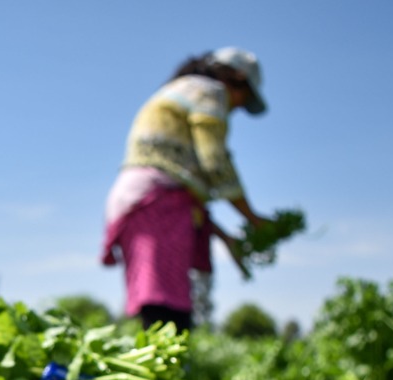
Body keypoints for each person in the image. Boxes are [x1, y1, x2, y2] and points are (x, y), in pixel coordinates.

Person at [101, 47, 273, 332]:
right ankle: (164, 361)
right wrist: (252, 218)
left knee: (161, 300)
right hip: (155, 202)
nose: (239, 107)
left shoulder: (183, 90)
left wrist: (226, 238)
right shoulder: (209, 92)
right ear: (238, 79)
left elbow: (188, 189)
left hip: (140, 201)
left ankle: (162, 359)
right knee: (165, 306)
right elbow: (215, 162)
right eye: (245, 98)